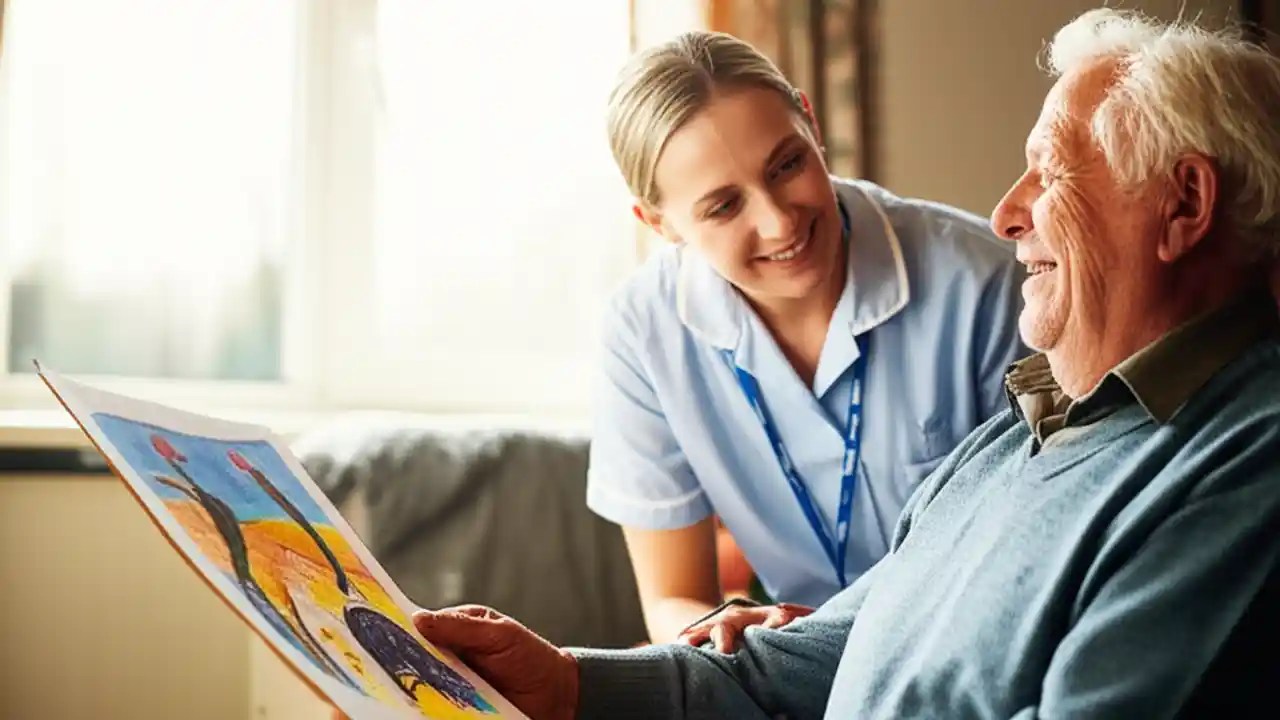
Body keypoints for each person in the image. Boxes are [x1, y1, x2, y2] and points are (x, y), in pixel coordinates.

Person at [409, 9, 1280, 718]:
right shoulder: (1021, 430)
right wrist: (565, 683)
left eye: (1047, 174)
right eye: (720, 205)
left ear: (1186, 205)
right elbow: (814, 658)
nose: (1006, 215)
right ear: (660, 224)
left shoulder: (1241, 458)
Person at [588, 28, 1027, 647]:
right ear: (658, 223)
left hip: (966, 645)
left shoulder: (986, 283)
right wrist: (724, 634)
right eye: (722, 207)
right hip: (787, 665)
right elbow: (672, 598)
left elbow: (1026, 556)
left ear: (812, 123)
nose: (779, 222)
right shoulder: (641, 333)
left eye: (787, 165)